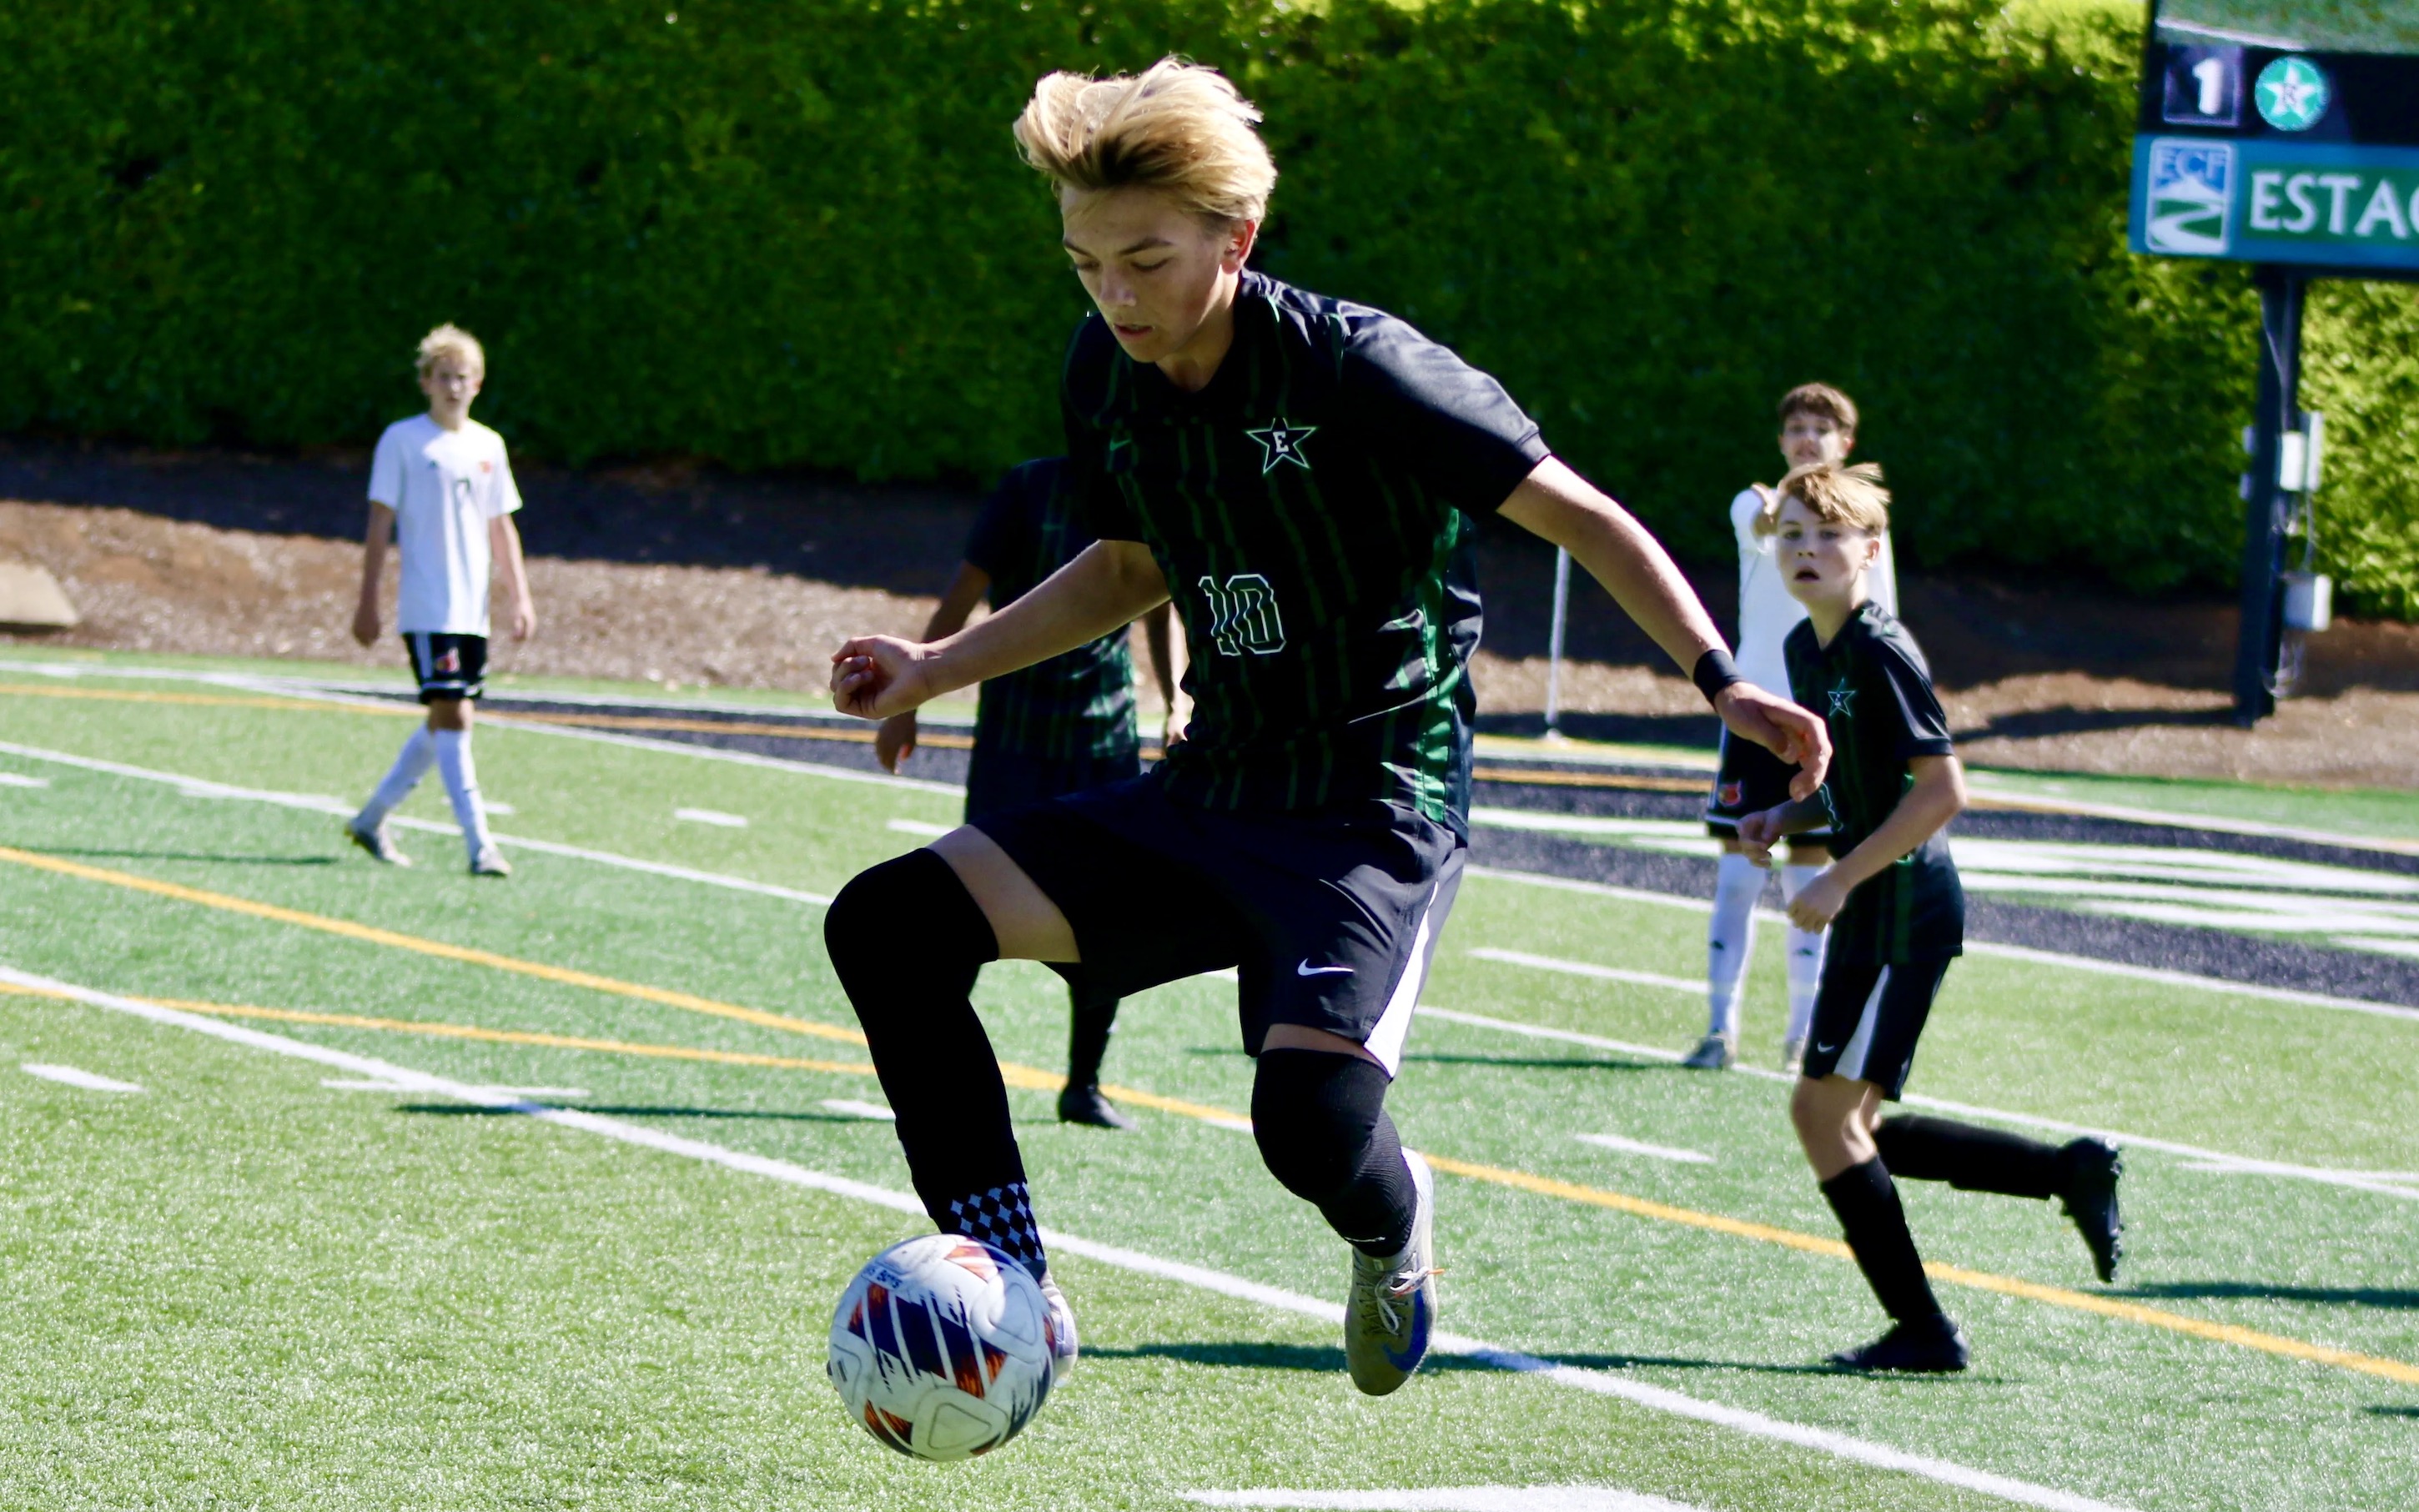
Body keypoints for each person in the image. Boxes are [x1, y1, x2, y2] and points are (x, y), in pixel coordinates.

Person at [822, 58, 1829, 1397]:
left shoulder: (1359, 366)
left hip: (1374, 803)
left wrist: (1723, 681)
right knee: (886, 922)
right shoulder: (1105, 372)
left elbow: (1580, 515)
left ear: (1234, 240)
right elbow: (1130, 566)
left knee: (1304, 1126)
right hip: (1210, 790)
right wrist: (934, 664)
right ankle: (1010, 1283)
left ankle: (1395, 1226)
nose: (1113, 294)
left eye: (1145, 258)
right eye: (1084, 265)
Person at [1736, 462, 2122, 1373]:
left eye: (1826, 534)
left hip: (1903, 906)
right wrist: (1785, 817)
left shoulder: (1879, 646)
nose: (1805, 549)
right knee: (1845, 1124)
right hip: (1875, 899)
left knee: (1820, 1116)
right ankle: (2064, 1171)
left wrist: (1835, 880)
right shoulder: (1804, 649)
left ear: (1870, 550)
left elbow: (1941, 789)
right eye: (1790, 533)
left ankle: (1925, 1329)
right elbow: (1861, 790)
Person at [875, 455, 1190, 1129]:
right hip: (1015, 737)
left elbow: (1163, 603)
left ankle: (1084, 1084)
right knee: (962, 901)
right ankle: (927, 1075)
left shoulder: (1149, 483)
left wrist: (1176, 701)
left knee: (1110, 913)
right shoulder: (1028, 487)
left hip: (1102, 735)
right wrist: (909, 701)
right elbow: (963, 596)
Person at [1687, 384, 1899, 1072]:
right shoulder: (1756, 503)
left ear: (1847, 443)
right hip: (1756, 719)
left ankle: (1803, 1036)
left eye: (1822, 429)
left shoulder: (1867, 530)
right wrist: (1798, 495)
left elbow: (1879, 616)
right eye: (1797, 428)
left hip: (1827, 724)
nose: (1808, 438)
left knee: (1812, 879)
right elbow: (1767, 518)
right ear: (1781, 441)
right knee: (1738, 876)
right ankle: (1720, 1029)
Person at [344, 324, 534, 877]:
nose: (454, 387)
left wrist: (519, 596)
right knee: (455, 713)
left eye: (463, 377)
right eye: (443, 376)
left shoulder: (488, 446)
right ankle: (480, 844)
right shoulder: (402, 441)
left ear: (478, 384)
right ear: (426, 382)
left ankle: (372, 818)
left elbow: (503, 527)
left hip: (472, 609)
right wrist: (367, 600)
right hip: (428, 604)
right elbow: (381, 522)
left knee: (446, 715)